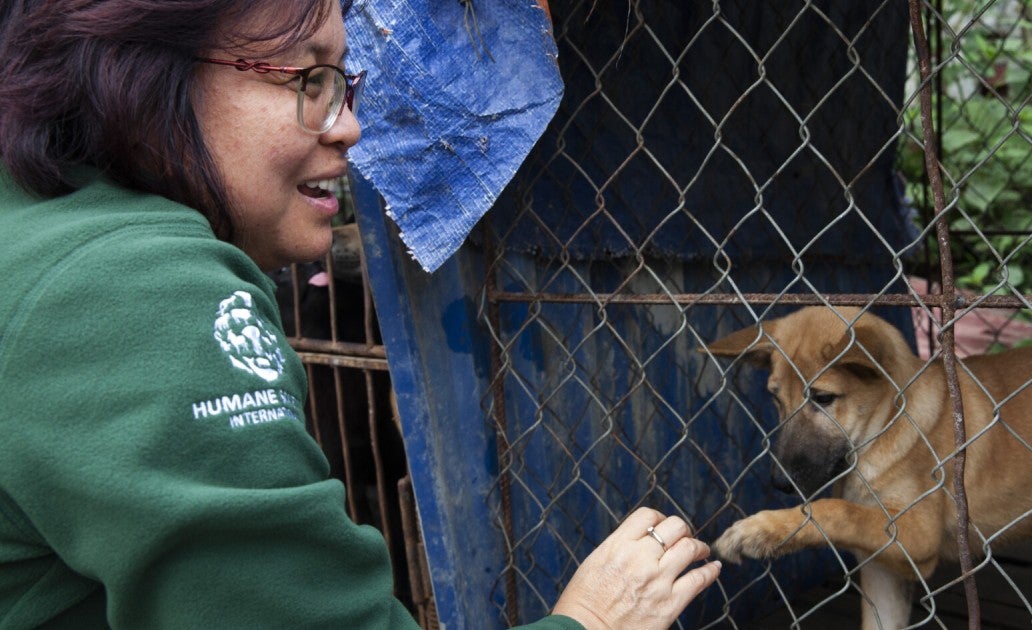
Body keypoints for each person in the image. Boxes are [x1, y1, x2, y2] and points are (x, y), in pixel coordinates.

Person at [0, 0, 721, 628]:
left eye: (345, 83)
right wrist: (591, 621)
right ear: (148, 73)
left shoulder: (33, 229)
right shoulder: (141, 287)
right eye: (309, 78)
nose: (349, 128)